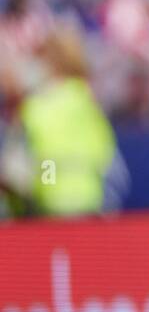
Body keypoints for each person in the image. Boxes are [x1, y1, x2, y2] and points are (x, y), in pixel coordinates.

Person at [0, 25, 117, 218]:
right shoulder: (89, 101)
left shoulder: (35, 107)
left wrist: (46, 183)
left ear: (50, 62)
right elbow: (104, 152)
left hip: (48, 205)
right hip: (89, 202)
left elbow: (17, 165)